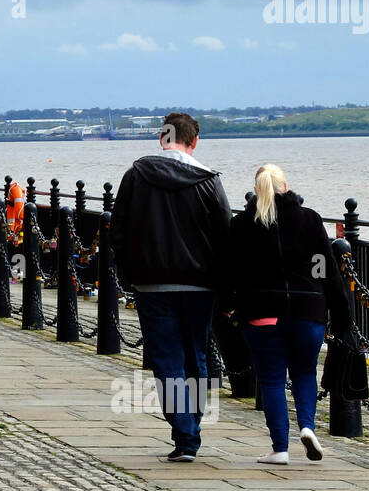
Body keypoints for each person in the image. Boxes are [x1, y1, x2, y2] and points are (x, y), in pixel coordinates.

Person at [110, 112, 232, 463]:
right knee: (197, 355)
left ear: (162, 138)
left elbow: (118, 230)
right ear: (194, 141)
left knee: (166, 360)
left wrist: (129, 273)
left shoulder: (136, 177)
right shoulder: (208, 181)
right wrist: (226, 291)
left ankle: (185, 434)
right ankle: (189, 429)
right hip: (200, 285)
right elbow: (224, 237)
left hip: (151, 284)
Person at [219, 164, 354, 465]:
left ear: (256, 190)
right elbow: (325, 270)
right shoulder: (310, 220)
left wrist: (228, 303)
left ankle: (280, 448)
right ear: (286, 186)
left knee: (271, 380)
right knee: (305, 372)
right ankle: (307, 426)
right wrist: (340, 312)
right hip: (308, 312)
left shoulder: (242, 224)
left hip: (262, 314)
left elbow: (230, 269)